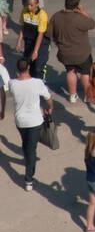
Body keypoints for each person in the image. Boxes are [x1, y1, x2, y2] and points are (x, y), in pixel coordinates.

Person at [10, 56, 53, 191]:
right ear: (28, 67)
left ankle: (28, 162)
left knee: (26, 144)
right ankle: (29, 178)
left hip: (20, 121)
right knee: (31, 149)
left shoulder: (13, 83)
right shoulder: (37, 83)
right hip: (35, 121)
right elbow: (48, 97)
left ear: (17, 69)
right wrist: (50, 108)